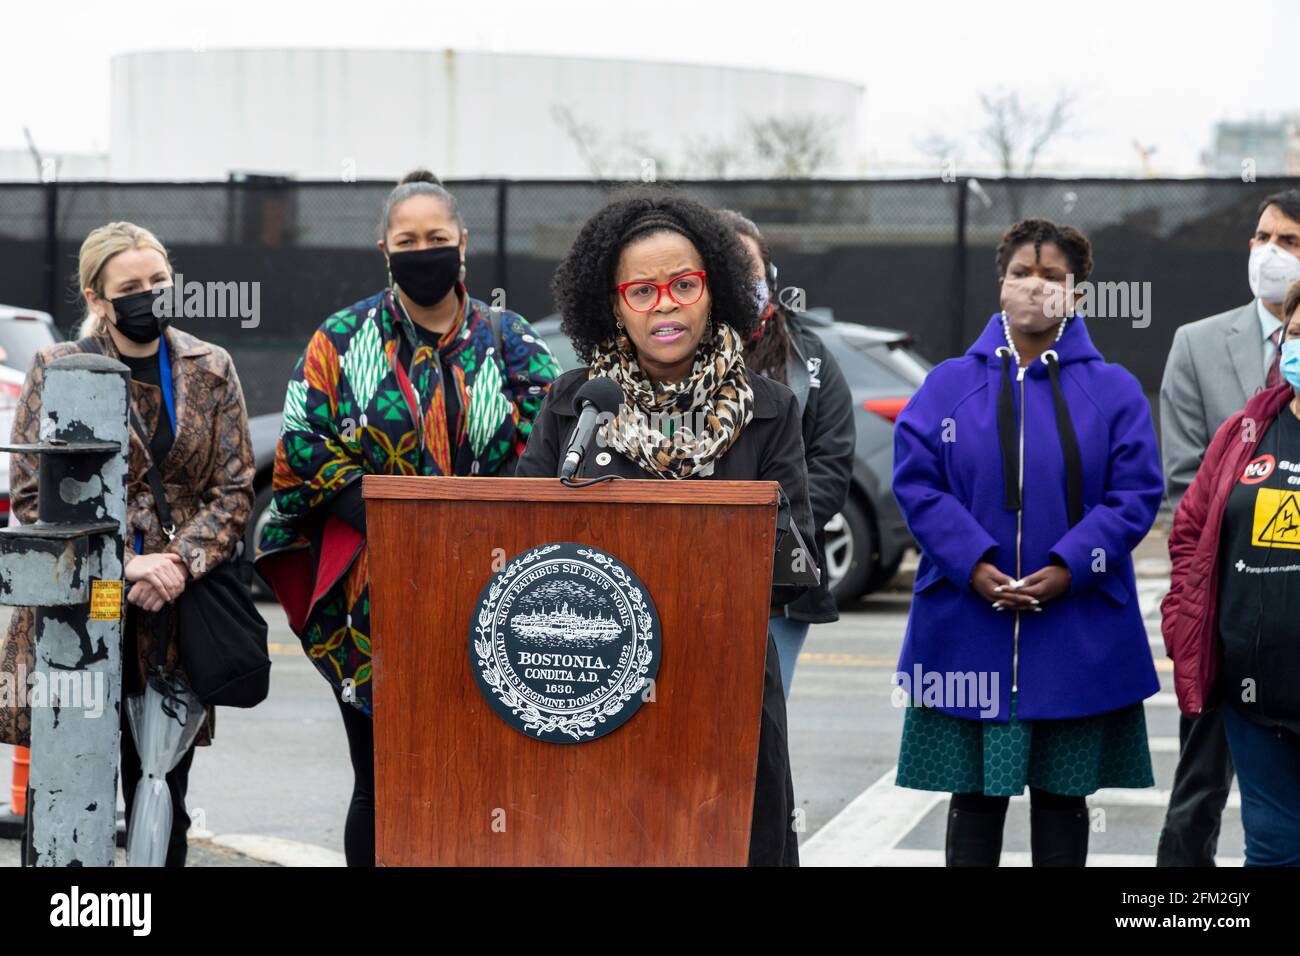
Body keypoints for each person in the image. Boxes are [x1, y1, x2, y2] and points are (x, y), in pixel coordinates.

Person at [255, 169, 558, 867]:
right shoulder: (341, 339)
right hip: (378, 597)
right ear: (385, 249)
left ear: (463, 243)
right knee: (384, 778)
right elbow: (301, 448)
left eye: (437, 238)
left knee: (486, 776)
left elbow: (551, 443)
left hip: (493, 587)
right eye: (408, 239)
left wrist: (479, 516)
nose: (424, 250)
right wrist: (383, 507)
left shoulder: (510, 340)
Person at [515, 190, 815, 866]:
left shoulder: (771, 409)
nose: (666, 305)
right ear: (613, 304)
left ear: (715, 289)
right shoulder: (574, 403)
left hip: (724, 684)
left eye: (683, 284)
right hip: (595, 682)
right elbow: (525, 540)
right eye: (642, 291)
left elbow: (788, 558)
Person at [892, 218, 1164, 866]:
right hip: (966, 624)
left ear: (1077, 294)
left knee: (1062, 799)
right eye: (1021, 273)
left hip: (1075, 632)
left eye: (1051, 277)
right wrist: (973, 561)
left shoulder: (1114, 391)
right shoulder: (948, 386)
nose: (1033, 288)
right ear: (1001, 283)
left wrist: (1073, 566)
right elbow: (918, 483)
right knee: (974, 799)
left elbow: (1136, 496)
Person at [0, 220, 256, 867]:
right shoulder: (56, 369)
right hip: (84, 617)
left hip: (174, 617)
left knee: (164, 789)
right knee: (68, 785)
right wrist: (125, 562)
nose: (149, 295)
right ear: (95, 298)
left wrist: (175, 561)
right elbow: (31, 496)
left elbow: (235, 491)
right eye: (131, 287)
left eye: (159, 282)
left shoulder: (210, 366)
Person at [1156, 188, 1300, 866]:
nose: (1270, 253)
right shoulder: (1198, 343)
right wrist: (1200, 609)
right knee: (1198, 791)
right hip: (1232, 623)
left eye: (1290, 242)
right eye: (1262, 236)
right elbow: (1188, 490)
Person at [716, 209, 855, 699]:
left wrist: (760, 536)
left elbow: (831, 469)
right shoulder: (665, 359)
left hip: (780, 586)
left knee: (757, 724)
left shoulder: (809, 357)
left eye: (746, 270)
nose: (736, 283)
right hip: (686, 571)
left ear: (770, 278)